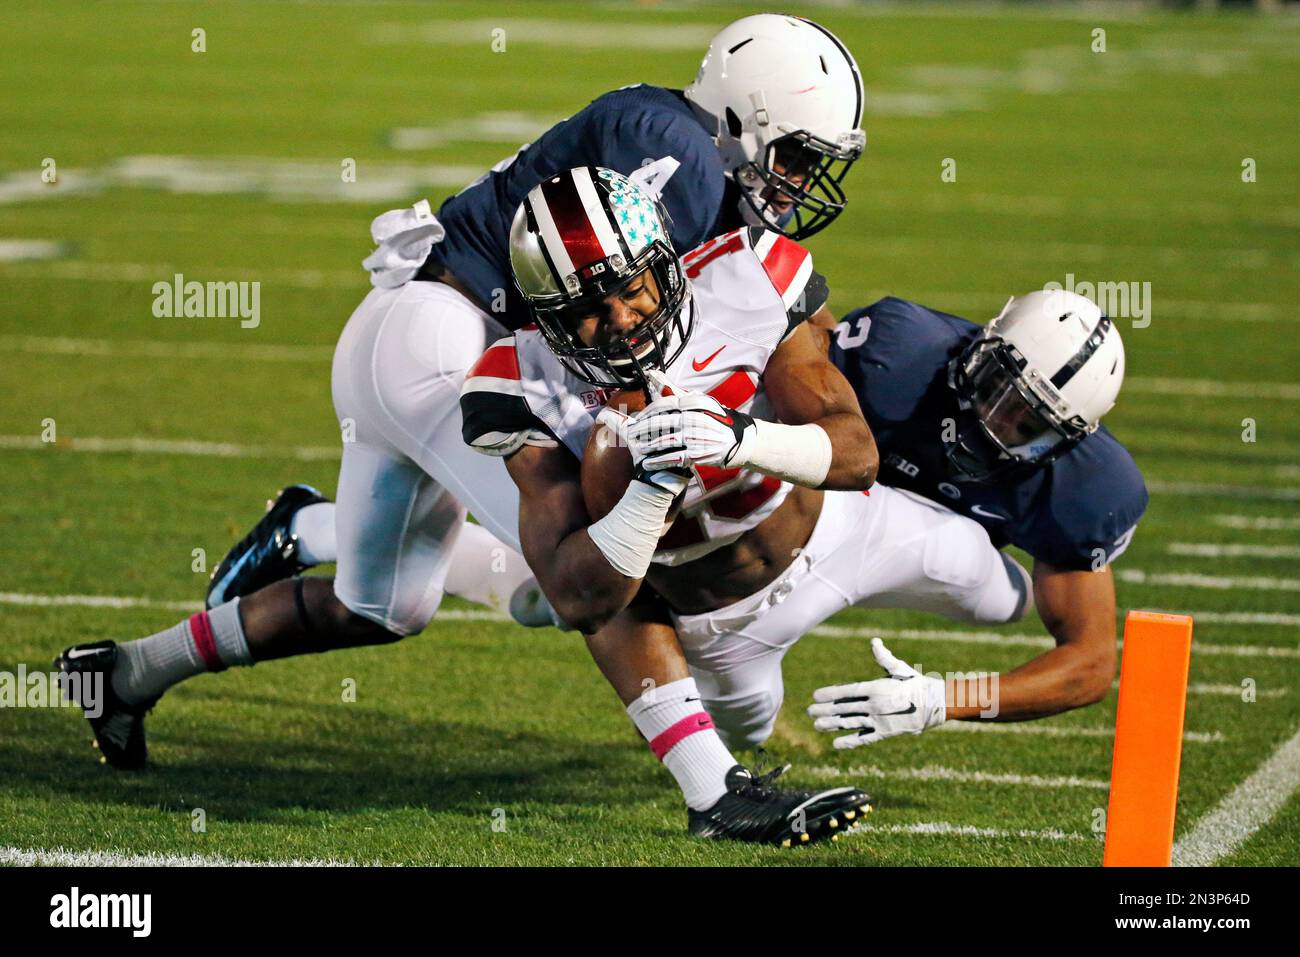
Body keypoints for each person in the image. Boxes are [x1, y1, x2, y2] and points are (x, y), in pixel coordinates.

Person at [54, 15, 868, 775]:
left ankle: (125, 672)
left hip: (419, 335)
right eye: (794, 156)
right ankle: (715, 789)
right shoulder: (680, 158)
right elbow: (610, 309)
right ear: (737, 117)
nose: (800, 183)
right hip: (451, 341)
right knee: (591, 567)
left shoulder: (684, 154)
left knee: (381, 606)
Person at [458, 167, 1033, 843]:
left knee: (1004, 596)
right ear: (545, 319)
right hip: (717, 621)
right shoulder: (515, 383)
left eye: (633, 289)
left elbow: (855, 456)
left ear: (666, 264)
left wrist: (740, 437)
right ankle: (713, 791)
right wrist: (651, 488)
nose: (620, 322)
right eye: (587, 309)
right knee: (747, 722)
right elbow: (584, 597)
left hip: (842, 529)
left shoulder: (749, 278)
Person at [804, 291, 1145, 747]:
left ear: (1069, 439)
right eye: (995, 388)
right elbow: (794, 365)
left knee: (1007, 595)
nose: (997, 423)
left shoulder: (1087, 490)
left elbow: (1090, 665)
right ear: (978, 350)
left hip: (936, 558)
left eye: (1030, 426)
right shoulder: (899, 354)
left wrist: (943, 699)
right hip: (822, 515)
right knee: (745, 709)